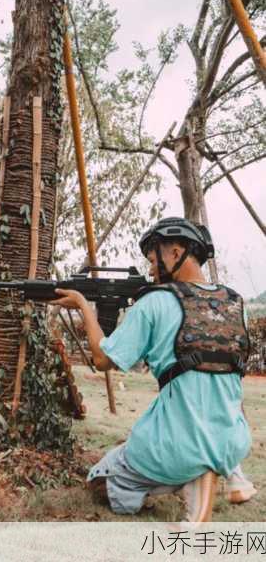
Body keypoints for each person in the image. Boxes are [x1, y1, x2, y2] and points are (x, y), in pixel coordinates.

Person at [51, 217, 256, 521]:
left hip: (176, 446)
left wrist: (82, 304)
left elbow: (102, 359)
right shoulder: (236, 303)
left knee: (101, 480)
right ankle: (222, 470)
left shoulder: (154, 303)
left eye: (152, 259)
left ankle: (193, 476)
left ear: (175, 252)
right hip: (233, 440)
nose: (149, 269)